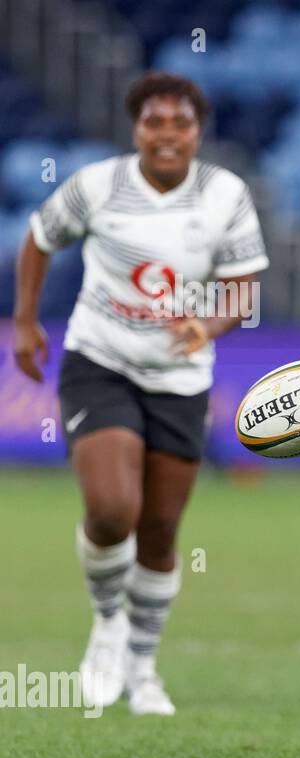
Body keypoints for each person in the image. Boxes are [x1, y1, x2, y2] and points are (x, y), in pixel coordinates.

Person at [11, 71, 268, 714]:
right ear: (136, 127)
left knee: (158, 529)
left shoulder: (226, 195)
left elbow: (243, 288)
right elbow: (40, 238)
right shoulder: (97, 185)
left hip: (181, 380)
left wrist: (206, 324)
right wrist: (23, 320)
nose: (167, 134)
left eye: (180, 123)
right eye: (155, 122)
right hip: (100, 361)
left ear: (197, 131)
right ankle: (105, 625)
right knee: (110, 509)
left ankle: (144, 668)